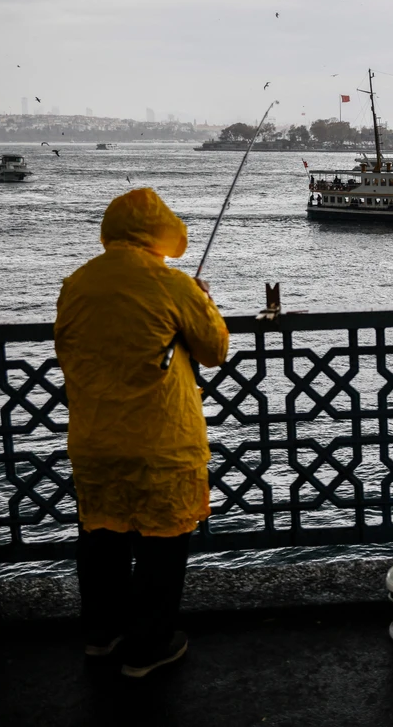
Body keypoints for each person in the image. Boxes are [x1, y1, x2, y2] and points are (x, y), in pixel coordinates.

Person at [55, 188, 229, 677]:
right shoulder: (172, 284)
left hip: (94, 437)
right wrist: (204, 301)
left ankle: (100, 635)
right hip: (159, 439)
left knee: (101, 536)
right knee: (162, 542)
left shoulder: (78, 282)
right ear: (161, 233)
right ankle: (149, 646)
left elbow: (66, 345)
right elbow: (214, 350)